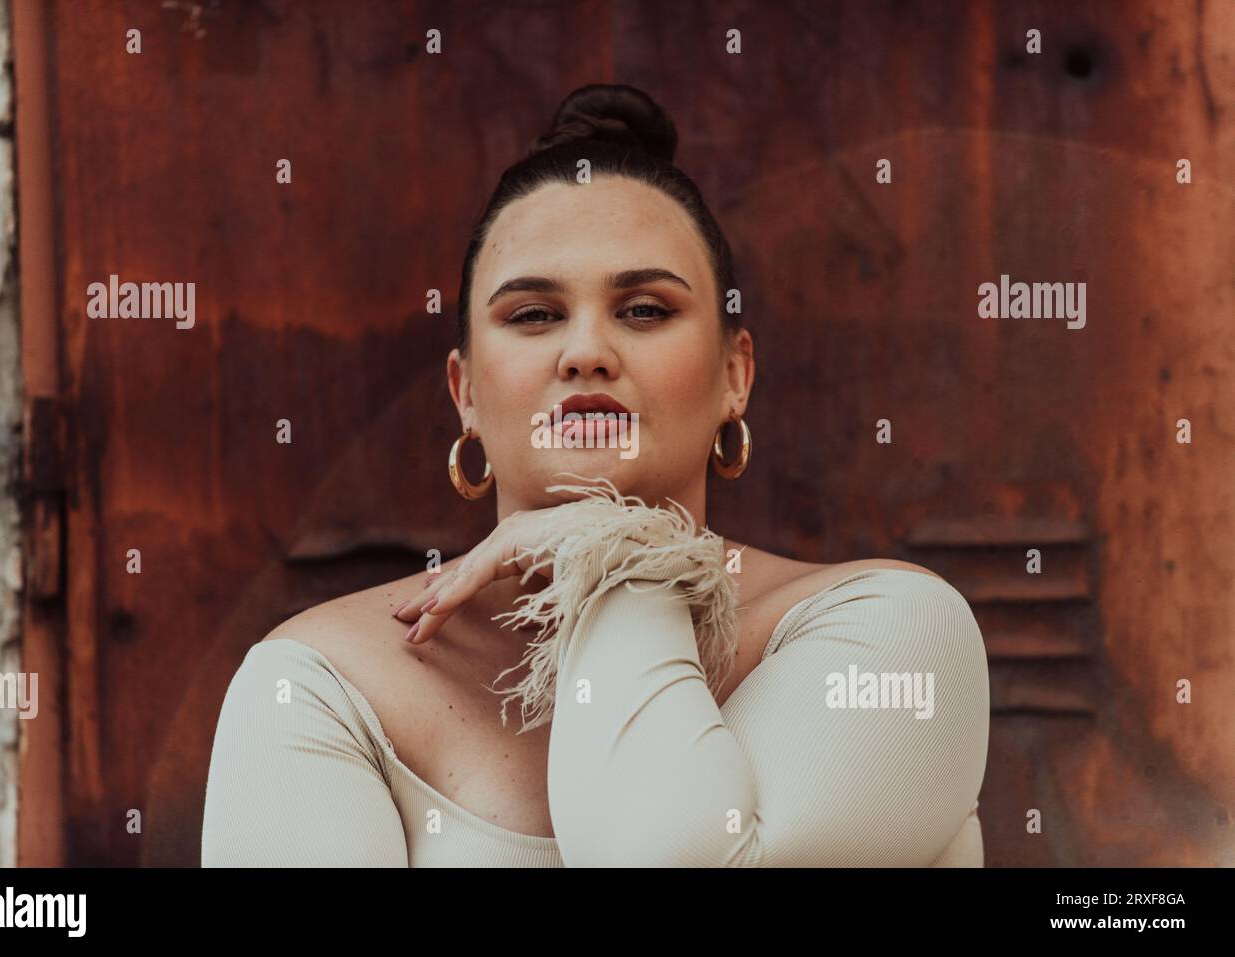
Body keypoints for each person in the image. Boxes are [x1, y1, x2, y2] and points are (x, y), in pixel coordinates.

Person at [201, 83, 990, 867]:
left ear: (734, 374)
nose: (586, 352)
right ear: (465, 391)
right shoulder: (319, 686)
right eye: (534, 315)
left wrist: (612, 552)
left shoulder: (891, 631)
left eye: (644, 309)